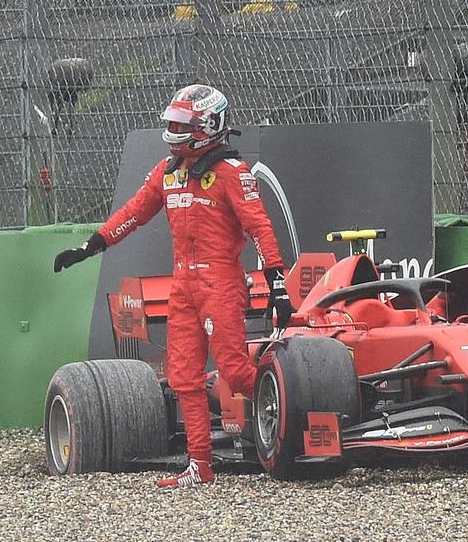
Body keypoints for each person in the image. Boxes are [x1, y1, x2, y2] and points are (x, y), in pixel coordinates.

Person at [52, 83, 294, 488]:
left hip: (219, 281)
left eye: (183, 124)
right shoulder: (166, 172)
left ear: (209, 126)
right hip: (184, 283)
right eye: (173, 122)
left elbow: (260, 228)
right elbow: (134, 213)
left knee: (235, 372)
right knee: (183, 376)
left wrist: (277, 282)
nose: (174, 130)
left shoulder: (231, 173)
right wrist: (91, 245)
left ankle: (289, 409)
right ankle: (200, 466)